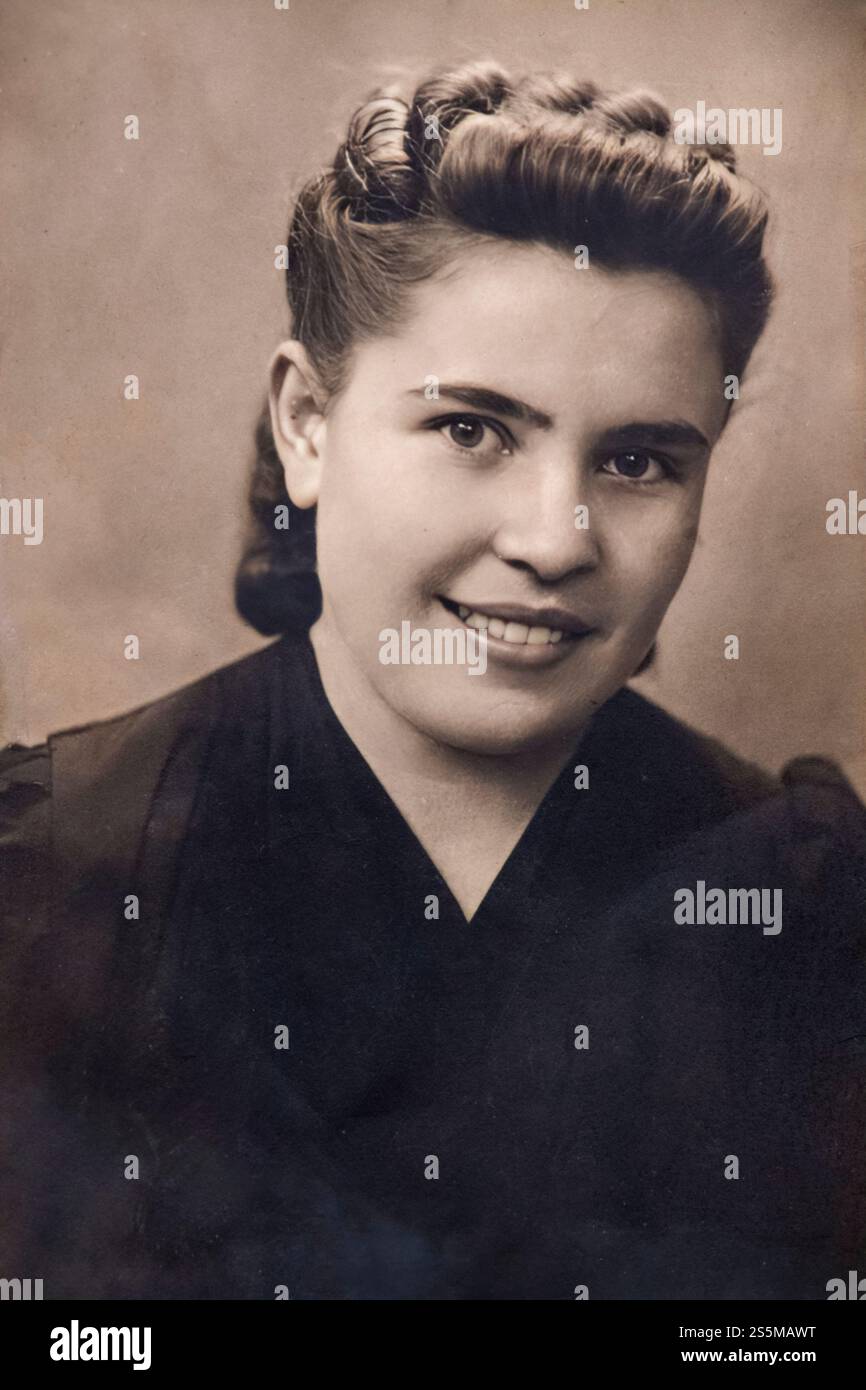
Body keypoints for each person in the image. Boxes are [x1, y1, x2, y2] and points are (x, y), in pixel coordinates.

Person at [1, 60, 864, 1301]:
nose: (556, 537)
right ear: (307, 423)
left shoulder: (800, 906)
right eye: (472, 428)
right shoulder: (49, 880)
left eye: (636, 460)